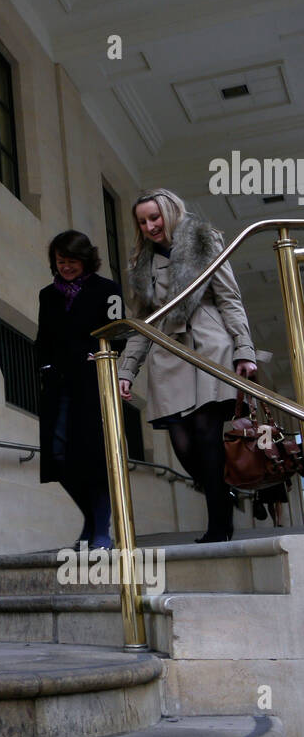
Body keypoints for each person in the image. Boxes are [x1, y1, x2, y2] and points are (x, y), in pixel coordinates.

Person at [117, 189, 257, 542]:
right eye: (143, 221)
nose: (149, 226)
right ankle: (222, 494)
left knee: (207, 434)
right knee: (183, 445)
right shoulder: (141, 264)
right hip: (168, 354)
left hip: (209, 346)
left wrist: (244, 349)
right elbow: (143, 321)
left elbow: (229, 298)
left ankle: (219, 524)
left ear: (169, 212)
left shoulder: (204, 241)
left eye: (155, 217)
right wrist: (126, 370)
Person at [35, 230, 122, 549]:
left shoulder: (108, 290)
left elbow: (119, 334)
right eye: (60, 262)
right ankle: (90, 518)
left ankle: (101, 529)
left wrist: (101, 356)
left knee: (94, 458)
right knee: (58, 457)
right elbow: (42, 337)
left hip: (93, 384)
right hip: (58, 385)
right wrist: (44, 366)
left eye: (72, 261)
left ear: (85, 259)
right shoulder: (47, 295)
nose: (66, 267)